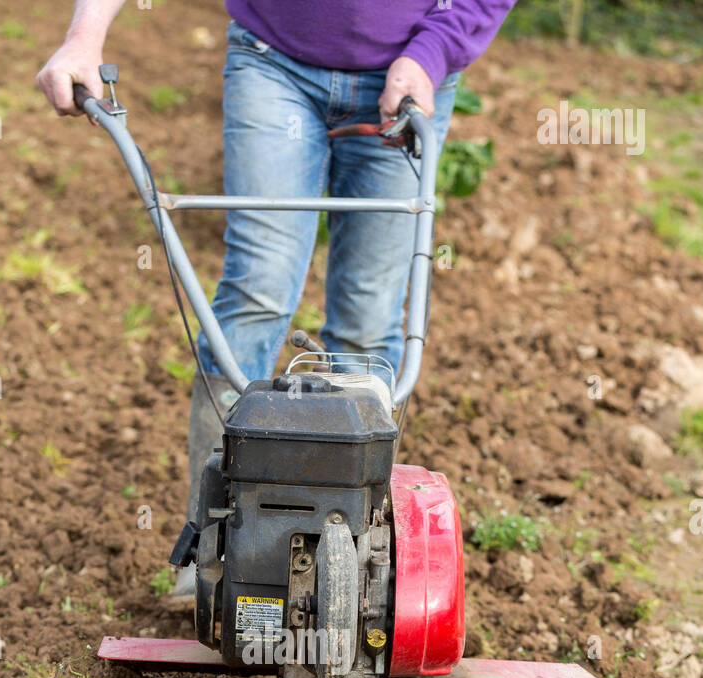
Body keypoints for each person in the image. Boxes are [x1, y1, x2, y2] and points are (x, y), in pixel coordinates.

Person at [38, 1, 515, 593]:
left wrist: (431, 53)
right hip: (274, 62)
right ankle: (213, 552)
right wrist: (85, 36)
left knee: (369, 320)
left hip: (411, 75)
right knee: (257, 291)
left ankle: (356, 553)